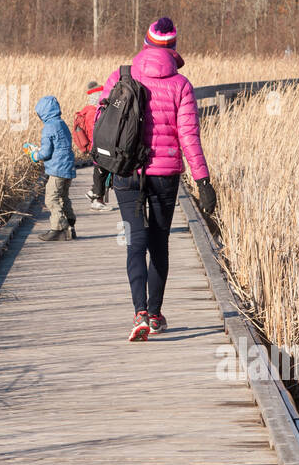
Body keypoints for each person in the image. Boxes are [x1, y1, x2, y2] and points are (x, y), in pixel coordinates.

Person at [102, 18, 217, 341]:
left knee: (134, 243)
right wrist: (203, 181)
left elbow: (104, 124)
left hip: (127, 173)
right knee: (158, 243)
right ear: (174, 48)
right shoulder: (181, 85)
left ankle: (138, 311)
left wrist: (102, 172)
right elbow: (189, 137)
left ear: (145, 43)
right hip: (165, 177)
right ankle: (154, 314)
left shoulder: (120, 76)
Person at [22, 95, 77, 241]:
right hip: (67, 166)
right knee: (63, 196)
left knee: (51, 198)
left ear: (43, 113)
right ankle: (70, 223)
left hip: (57, 169)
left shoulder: (48, 128)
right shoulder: (62, 124)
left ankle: (58, 228)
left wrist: (35, 155)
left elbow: (46, 152)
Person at [72, 80, 109, 211]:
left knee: (101, 171)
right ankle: (96, 197)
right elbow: (95, 132)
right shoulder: (93, 112)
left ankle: (94, 194)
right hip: (97, 147)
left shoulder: (91, 110)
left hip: (96, 147)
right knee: (101, 171)